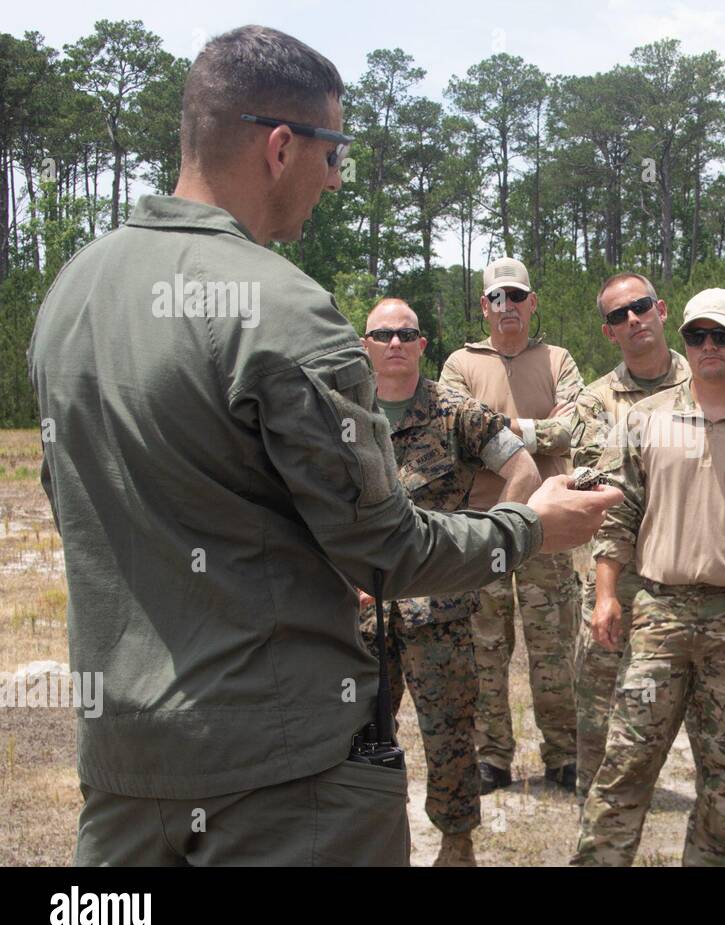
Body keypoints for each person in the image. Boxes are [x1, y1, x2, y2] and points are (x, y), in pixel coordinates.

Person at [27, 25, 618, 867]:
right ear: (280, 146)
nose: (335, 179)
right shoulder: (282, 310)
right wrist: (532, 528)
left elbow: (80, 506)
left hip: (125, 778)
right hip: (278, 788)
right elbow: (383, 549)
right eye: (332, 151)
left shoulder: (71, 294)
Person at [573, 288, 725, 866]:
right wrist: (607, 595)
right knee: (625, 766)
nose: (709, 347)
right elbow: (619, 512)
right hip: (659, 613)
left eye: (722, 336)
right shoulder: (646, 419)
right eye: (697, 336)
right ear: (684, 340)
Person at [358, 298, 542, 866]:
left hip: (438, 610)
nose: (394, 343)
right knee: (356, 735)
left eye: (406, 334)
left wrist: (490, 552)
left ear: (422, 345)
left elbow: (524, 470)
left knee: (450, 736)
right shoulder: (344, 412)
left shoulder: (454, 410)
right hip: (360, 610)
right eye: (382, 334)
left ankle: (456, 847)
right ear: (365, 344)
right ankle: (365, 843)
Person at [440, 257, 585, 793]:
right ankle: (492, 757)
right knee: (485, 648)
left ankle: (565, 755)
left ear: (532, 302)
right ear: (484, 305)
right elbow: (457, 435)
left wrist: (501, 433)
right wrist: (535, 432)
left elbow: (575, 426)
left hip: (549, 525)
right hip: (482, 527)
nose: (507, 307)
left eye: (516, 297)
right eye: (496, 298)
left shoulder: (558, 359)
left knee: (552, 649)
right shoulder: (459, 364)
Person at [570, 272, 691, 799]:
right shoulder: (595, 402)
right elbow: (588, 483)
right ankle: (597, 814)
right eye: (619, 315)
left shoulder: (709, 380)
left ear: (661, 309)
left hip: (694, 574)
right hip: (616, 577)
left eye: (640, 307)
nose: (633, 320)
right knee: (598, 698)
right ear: (608, 332)